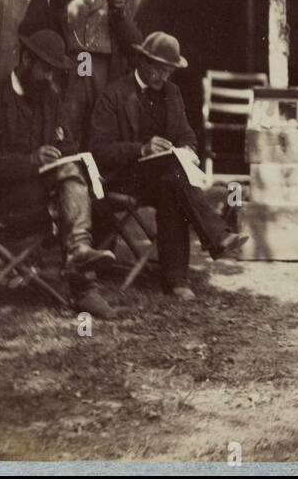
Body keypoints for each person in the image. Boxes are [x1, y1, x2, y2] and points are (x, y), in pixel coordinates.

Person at [0, 30, 119, 318]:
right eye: (45, 69)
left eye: (54, 71)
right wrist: (31, 160)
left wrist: (60, 155)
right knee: (70, 183)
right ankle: (83, 277)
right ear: (25, 59)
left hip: (44, 194)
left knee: (75, 174)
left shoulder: (50, 98)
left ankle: (81, 265)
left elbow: (67, 144)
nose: (50, 77)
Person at [88, 31, 247, 300]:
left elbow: (186, 134)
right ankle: (215, 236)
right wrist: (141, 148)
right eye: (159, 70)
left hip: (161, 176)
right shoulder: (114, 94)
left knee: (172, 181)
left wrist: (188, 149)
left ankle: (176, 281)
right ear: (142, 62)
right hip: (121, 177)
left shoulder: (172, 93)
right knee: (173, 176)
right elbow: (99, 151)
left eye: (168, 71)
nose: (163, 77)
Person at [20, 0, 141, 134]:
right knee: (63, 127)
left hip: (103, 72)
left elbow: (134, 45)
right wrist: (54, 5)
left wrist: (121, 15)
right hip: (65, 69)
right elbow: (29, 31)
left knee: (100, 129)